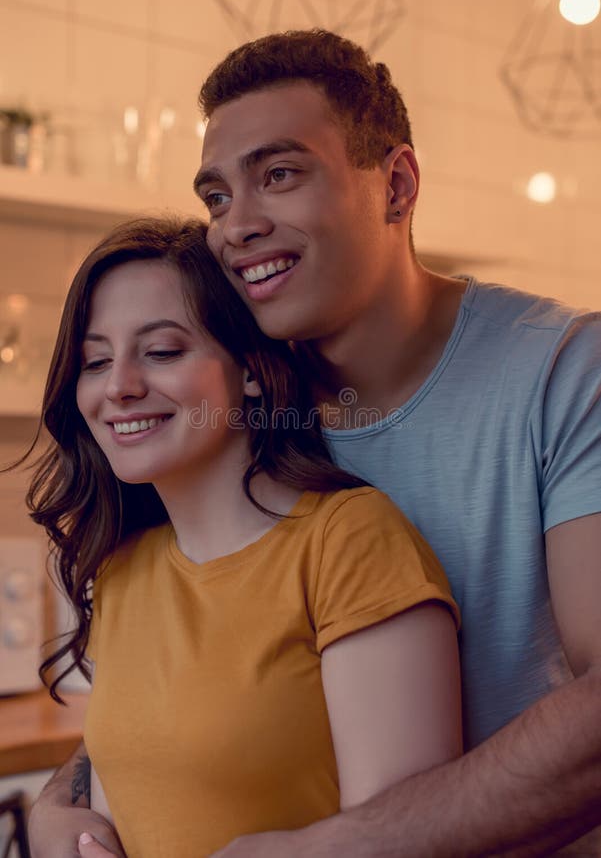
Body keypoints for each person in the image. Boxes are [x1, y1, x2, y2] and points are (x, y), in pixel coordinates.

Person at [54, 27, 601, 857]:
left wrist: (330, 849)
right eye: (215, 197)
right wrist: (70, 795)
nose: (236, 225)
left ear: (397, 183)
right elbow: (212, 688)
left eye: (278, 175)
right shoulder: (237, 413)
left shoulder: (563, 370)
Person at [23, 215, 461, 858]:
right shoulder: (123, 567)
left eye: (163, 351)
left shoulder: (348, 542)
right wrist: (58, 812)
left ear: (250, 371)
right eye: (96, 361)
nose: (119, 386)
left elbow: (402, 842)